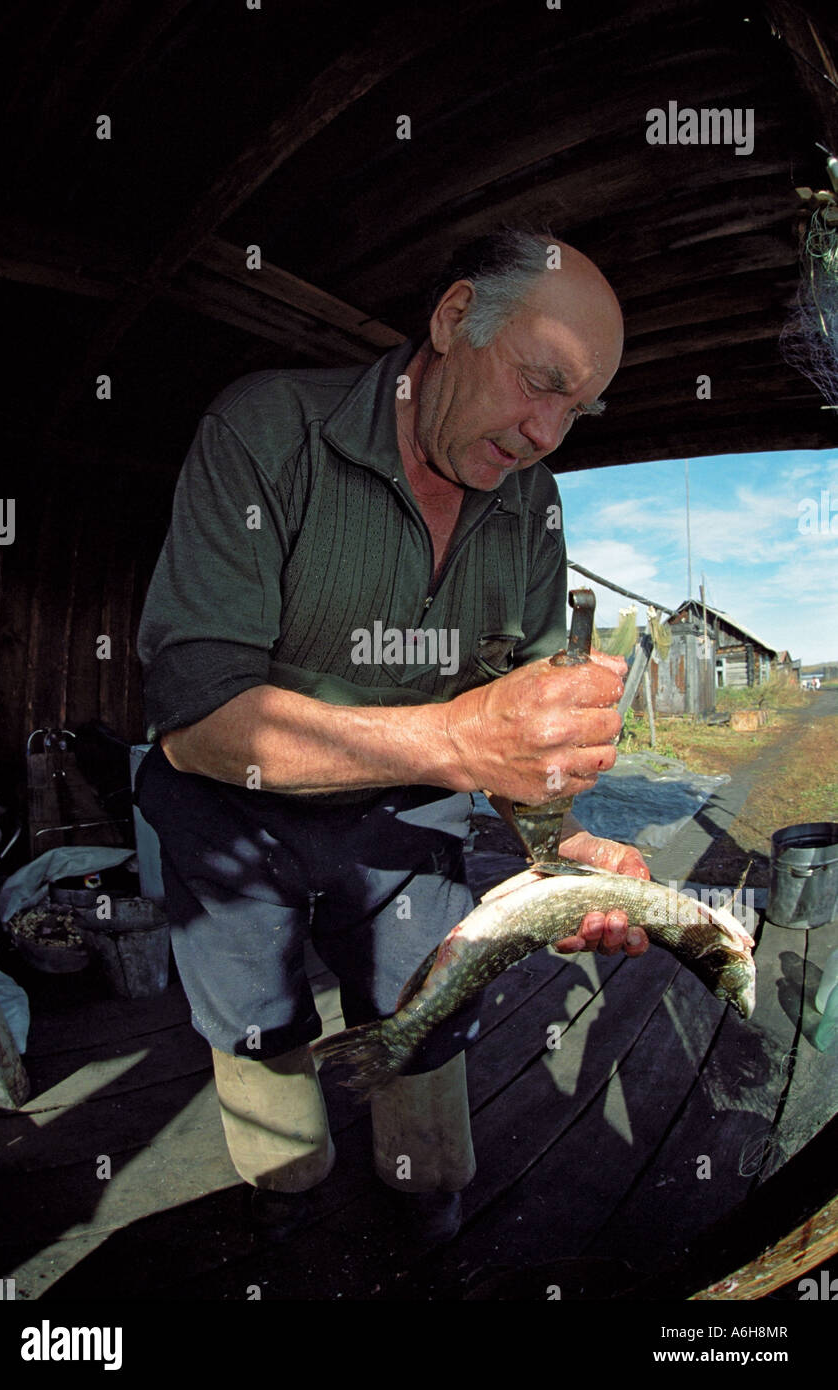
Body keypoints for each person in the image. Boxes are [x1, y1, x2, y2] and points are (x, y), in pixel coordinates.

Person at [134, 226, 650, 1244]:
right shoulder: (268, 427)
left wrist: (565, 847)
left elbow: (513, 732)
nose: (547, 432)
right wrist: (459, 742)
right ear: (455, 318)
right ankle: (284, 1190)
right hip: (226, 810)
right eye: (537, 381)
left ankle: (425, 1187)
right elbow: (195, 720)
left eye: (575, 409)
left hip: (406, 821)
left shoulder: (533, 506)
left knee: (431, 1010)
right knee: (256, 1028)